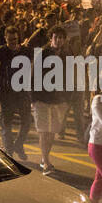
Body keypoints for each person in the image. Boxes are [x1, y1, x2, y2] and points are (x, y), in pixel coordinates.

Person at [30, 26, 70, 174]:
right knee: (43, 131)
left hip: (58, 100)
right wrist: (33, 98)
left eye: (61, 38)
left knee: (52, 131)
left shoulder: (66, 56)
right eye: (56, 37)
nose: (58, 40)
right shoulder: (42, 54)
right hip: (42, 98)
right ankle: (46, 162)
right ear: (50, 38)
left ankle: (44, 157)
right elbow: (33, 76)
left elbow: (69, 78)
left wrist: (67, 100)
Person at [0, 26, 30, 161]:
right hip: (7, 92)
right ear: (5, 38)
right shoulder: (1, 51)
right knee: (6, 123)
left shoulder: (26, 51)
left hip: (22, 91)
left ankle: (19, 145)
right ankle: (9, 150)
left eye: (15, 39)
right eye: (10, 40)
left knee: (27, 122)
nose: (13, 42)